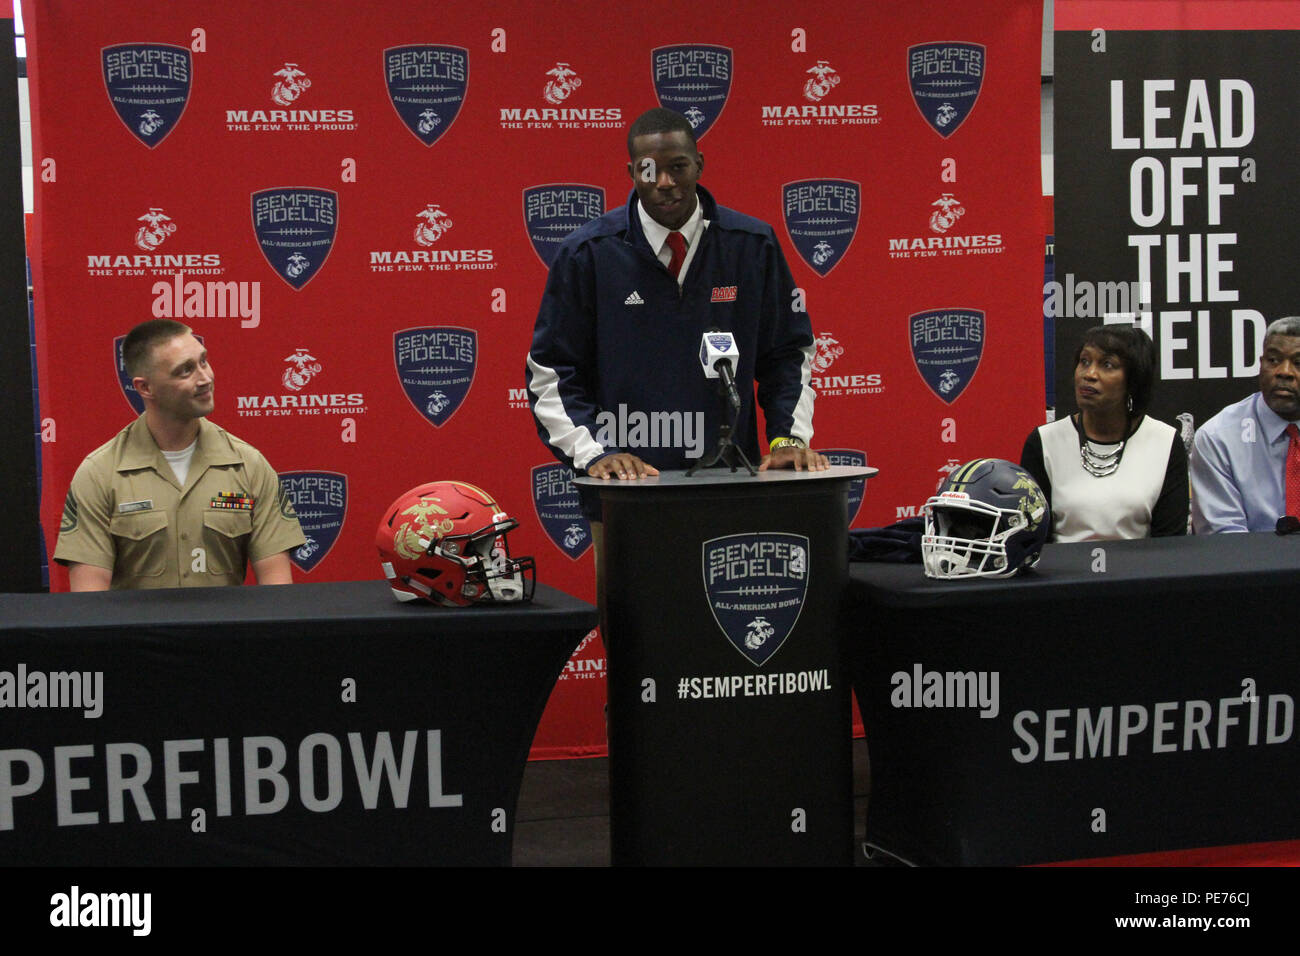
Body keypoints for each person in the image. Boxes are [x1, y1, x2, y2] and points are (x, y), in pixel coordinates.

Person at [526, 106, 827, 511]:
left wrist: (788, 438)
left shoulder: (751, 246)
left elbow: (788, 354)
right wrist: (597, 452)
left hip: (731, 484)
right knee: (633, 579)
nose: (664, 182)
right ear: (631, 173)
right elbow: (552, 373)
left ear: (699, 165)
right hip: (626, 492)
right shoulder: (588, 254)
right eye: (648, 170)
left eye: (678, 167)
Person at [53, 319, 305, 590]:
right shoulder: (99, 473)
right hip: (135, 633)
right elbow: (90, 598)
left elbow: (276, 586)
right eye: (185, 371)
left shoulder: (248, 465)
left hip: (224, 632)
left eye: (203, 361)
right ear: (145, 388)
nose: (205, 378)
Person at [1021, 324, 1187, 541]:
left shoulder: (1164, 442)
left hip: (1143, 572)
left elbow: (1171, 546)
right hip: (1061, 573)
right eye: (1084, 361)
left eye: (1107, 364)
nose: (1089, 374)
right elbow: (1032, 540)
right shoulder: (1044, 442)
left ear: (1133, 380)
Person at [1190, 316, 1300, 532]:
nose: (1284, 372)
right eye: (1273, 360)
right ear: (1261, 364)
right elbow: (1226, 542)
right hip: (1254, 564)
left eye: (1298, 363)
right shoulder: (1218, 438)